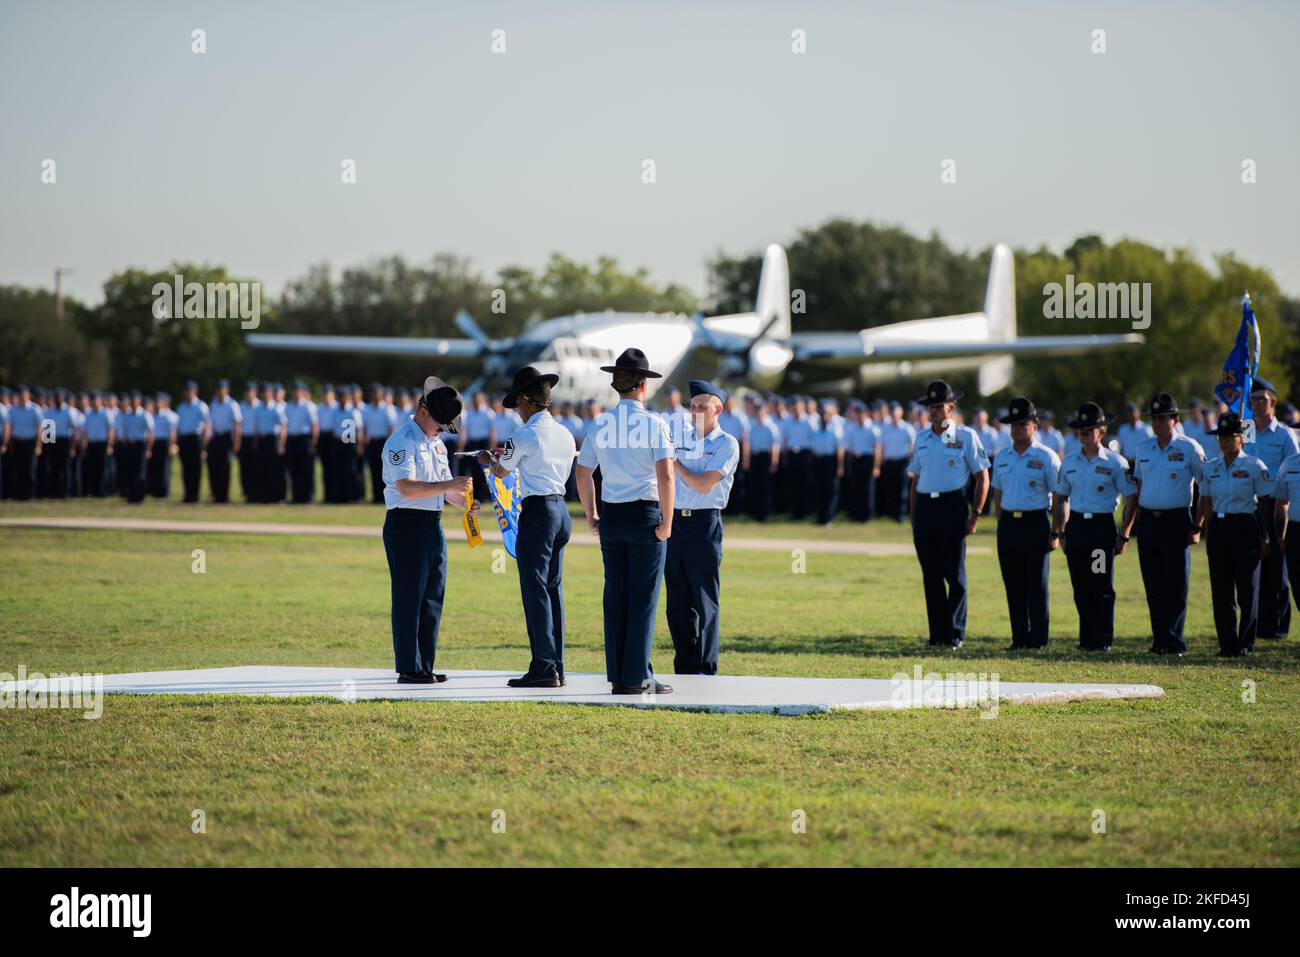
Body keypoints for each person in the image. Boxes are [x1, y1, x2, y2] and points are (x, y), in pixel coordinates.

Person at [575, 347, 675, 695]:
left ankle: (620, 674)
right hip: (644, 513)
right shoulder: (655, 424)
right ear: (643, 386)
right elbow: (665, 477)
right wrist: (668, 520)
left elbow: (583, 472)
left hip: (612, 514)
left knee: (615, 595)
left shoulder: (600, 422)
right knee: (643, 597)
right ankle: (636, 677)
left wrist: (592, 516)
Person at [479, 366, 575, 688]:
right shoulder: (563, 432)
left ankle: (543, 667)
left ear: (526, 400)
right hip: (561, 510)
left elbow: (502, 472)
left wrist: (487, 462)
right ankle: (557, 664)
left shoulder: (524, 434)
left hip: (538, 513)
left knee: (534, 590)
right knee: (553, 589)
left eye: (518, 403)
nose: (517, 410)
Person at [381, 376, 477, 684]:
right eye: (440, 423)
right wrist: (449, 485)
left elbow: (444, 493)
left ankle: (425, 665)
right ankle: (409, 666)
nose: (442, 430)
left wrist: (464, 502)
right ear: (423, 410)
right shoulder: (402, 441)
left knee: (433, 596)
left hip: (432, 525)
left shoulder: (435, 445)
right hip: (406, 522)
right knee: (410, 596)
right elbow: (407, 488)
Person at [1119, 393, 1206, 656]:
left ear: (1174, 420)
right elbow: (1138, 487)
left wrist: (1198, 526)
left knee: (1176, 583)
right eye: (1154, 418)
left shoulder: (1190, 448)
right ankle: (1159, 639)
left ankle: (1174, 640)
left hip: (1176, 520)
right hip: (1149, 521)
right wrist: (1127, 527)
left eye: (1162, 418)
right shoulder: (1143, 448)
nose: (1157, 423)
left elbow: (1206, 486)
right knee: (1153, 583)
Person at [663, 380, 740, 676]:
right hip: (675, 523)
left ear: (717, 409)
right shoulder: (680, 439)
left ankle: (706, 667)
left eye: (702, 407)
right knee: (677, 604)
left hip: (704, 523)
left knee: (704, 599)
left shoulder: (726, 443)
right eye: (692, 406)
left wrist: (675, 465)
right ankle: (685, 664)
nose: (695, 412)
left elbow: (704, 484)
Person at [906, 380, 990, 649]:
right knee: (930, 575)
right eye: (930, 407)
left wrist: (976, 513)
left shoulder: (966, 436)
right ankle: (937, 634)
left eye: (938, 406)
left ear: (951, 407)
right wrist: (913, 513)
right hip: (925, 507)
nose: (933, 411)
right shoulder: (921, 438)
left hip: (952, 506)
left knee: (954, 575)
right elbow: (915, 477)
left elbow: (982, 476)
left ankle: (955, 632)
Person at [1051, 403, 1136, 651]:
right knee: (1080, 586)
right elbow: (1061, 499)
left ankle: (1102, 639)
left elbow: (1131, 497)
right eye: (1081, 430)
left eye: (1089, 430)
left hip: (1100, 530)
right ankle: (1086, 638)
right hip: (1077, 528)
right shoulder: (1069, 462)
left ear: (1101, 431)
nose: (1084, 434)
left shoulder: (1114, 462)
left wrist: (1125, 534)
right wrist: (1061, 531)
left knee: (1099, 583)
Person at [1195, 413, 1272, 657]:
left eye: (1231, 436)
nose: (1225, 441)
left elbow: (1265, 504)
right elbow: (1206, 500)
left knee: (1247, 589)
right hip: (1219, 527)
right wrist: (1207, 532)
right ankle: (1227, 644)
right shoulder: (1211, 468)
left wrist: (1265, 536)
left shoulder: (1254, 466)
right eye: (1221, 437)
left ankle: (1245, 643)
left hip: (1245, 526)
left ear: (1242, 438)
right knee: (1221, 589)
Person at [988, 397, 1061, 650]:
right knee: (1013, 584)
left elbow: (1060, 496)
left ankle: (1038, 639)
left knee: (1036, 585)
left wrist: (1056, 531)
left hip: (1036, 522)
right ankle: (1019, 638)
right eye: (1013, 425)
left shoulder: (1047, 456)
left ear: (1035, 425)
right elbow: (997, 491)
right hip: (1009, 523)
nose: (1017, 429)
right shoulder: (1002, 456)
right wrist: (1002, 521)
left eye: (1022, 424)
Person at [1243, 378, 1299, 641]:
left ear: (1273, 403)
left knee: (1278, 568)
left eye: (1261, 399)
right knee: (1253, 570)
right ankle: (1258, 622)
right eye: (1253, 399)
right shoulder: (1246, 428)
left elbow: (1293, 469)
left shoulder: (1285, 434)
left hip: (1276, 504)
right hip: (1250, 505)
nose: (1256, 404)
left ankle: (1278, 625)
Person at [810, 398, 845, 525]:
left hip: (831, 461)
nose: (824, 418)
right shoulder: (815, 430)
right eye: (822, 415)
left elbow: (840, 450)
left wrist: (840, 467)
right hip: (819, 461)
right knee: (819, 489)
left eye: (826, 415)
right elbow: (813, 448)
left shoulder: (835, 430)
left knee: (831, 490)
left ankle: (829, 518)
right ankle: (820, 517)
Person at [745, 398, 781, 522]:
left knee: (765, 487)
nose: (759, 413)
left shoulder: (770, 426)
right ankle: (756, 513)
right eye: (757, 410)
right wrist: (748, 461)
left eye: (761, 410)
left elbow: (775, 446)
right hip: (755, 457)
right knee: (755, 486)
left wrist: (774, 462)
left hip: (766, 458)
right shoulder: (752, 426)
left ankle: (764, 514)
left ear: (765, 411)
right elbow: (749, 444)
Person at [878, 401, 916, 520]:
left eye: (896, 413)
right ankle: (891, 514)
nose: (894, 416)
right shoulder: (885, 428)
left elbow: (912, 449)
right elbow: (882, 446)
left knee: (902, 490)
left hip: (902, 462)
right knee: (890, 489)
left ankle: (900, 515)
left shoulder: (907, 428)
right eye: (892, 413)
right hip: (889, 462)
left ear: (901, 413)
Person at [284, 382, 319, 504]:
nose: (296, 393)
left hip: (305, 439)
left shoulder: (308, 406)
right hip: (292, 439)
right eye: (294, 391)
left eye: (298, 391)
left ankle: (308, 496)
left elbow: (314, 425)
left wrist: (313, 443)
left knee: (307, 469)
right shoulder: (287, 406)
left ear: (302, 392)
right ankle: (296, 497)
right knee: (294, 469)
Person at [175, 380, 209, 503]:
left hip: (196, 439)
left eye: (190, 391)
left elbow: (207, 425)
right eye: (186, 391)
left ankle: (194, 495)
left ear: (195, 392)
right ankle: (187, 495)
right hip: (184, 439)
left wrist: (204, 445)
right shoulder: (181, 407)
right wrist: (178, 442)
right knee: (185, 468)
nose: (188, 393)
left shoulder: (201, 406)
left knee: (195, 469)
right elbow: (179, 427)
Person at [208, 379, 242, 503]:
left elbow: (237, 424)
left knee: (225, 467)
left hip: (227, 437)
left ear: (227, 390)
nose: (220, 392)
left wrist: (236, 442)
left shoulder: (232, 404)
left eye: (222, 389)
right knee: (215, 467)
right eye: (218, 389)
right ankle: (216, 494)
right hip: (216, 437)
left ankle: (224, 495)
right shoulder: (213, 404)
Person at [362, 383, 397, 504]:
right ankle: (376, 497)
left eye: (376, 393)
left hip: (384, 442)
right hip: (372, 442)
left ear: (381, 394)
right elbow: (365, 427)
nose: (374, 396)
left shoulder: (388, 409)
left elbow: (391, 428)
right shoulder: (367, 409)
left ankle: (385, 497)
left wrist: (390, 445)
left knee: (385, 471)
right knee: (373, 469)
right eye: (372, 393)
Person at [81, 391, 114, 497]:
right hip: (91, 444)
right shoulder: (88, 414)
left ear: (100, 401)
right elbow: (85, 432)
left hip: (102, 443)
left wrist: (109, 446)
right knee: (92, 468)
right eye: (92, 400)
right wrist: (84, 446)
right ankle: (93, 490)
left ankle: (103, 490)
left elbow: (111, 430)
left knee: (103, 468)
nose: (94, 402)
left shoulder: (106, 413)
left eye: (95, 400)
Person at [148, 392, 178, 498]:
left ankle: (164, 492)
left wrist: (171, 446)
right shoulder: (152, 415)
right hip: (154, 442)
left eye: (158, 401)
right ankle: (155, 491)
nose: (156, 404)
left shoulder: (168, 416)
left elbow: (172, 433)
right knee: (154, 467)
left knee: (164, 468)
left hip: (164, 443)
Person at [237, 382, 262, 502]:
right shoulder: (240, 406)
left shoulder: (260, 406)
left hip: (256, 439)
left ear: (255, 393)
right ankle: (247, 493)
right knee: (244, 468)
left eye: (250, 392)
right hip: (244, 439)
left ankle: (257, 493)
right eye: (246, 392)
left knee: (256, 468)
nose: (248, 395)